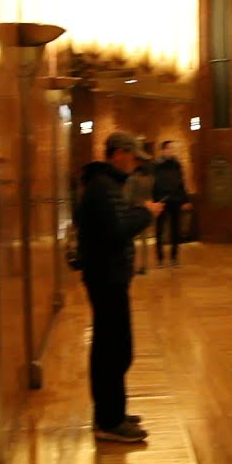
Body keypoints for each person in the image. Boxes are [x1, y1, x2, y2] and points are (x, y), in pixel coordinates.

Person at [75, 132, 164, 442]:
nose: (135, 163)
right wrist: (146, 213)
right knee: (114, 349)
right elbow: (118, 231)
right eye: (133, 157)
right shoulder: (104, 187)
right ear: (118, 154)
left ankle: (110, 412)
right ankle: (109, 420)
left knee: (112, 347)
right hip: (106, 276)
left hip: (108, 275)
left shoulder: (106, 185)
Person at [151, 140, 192, 267]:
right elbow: (153, 184)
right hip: (161, 201)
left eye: (173, 148)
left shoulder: (177, 164)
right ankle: (160, 259)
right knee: (160, 230)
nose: (172, 151)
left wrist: (185, 199)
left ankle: (174, 258)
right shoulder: (156, 165)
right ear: (163, 150)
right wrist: (155, 200)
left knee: (176, 230)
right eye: (170, 148)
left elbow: (181, 183)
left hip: (175, 200)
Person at [125, 150, 155, 275]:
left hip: (134, 210)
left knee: (130, 240)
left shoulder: (133, 177)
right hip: (146, 211)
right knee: (144, 240)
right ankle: (144, 266)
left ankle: (131, 265)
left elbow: (129, 197)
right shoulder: (150, 177)